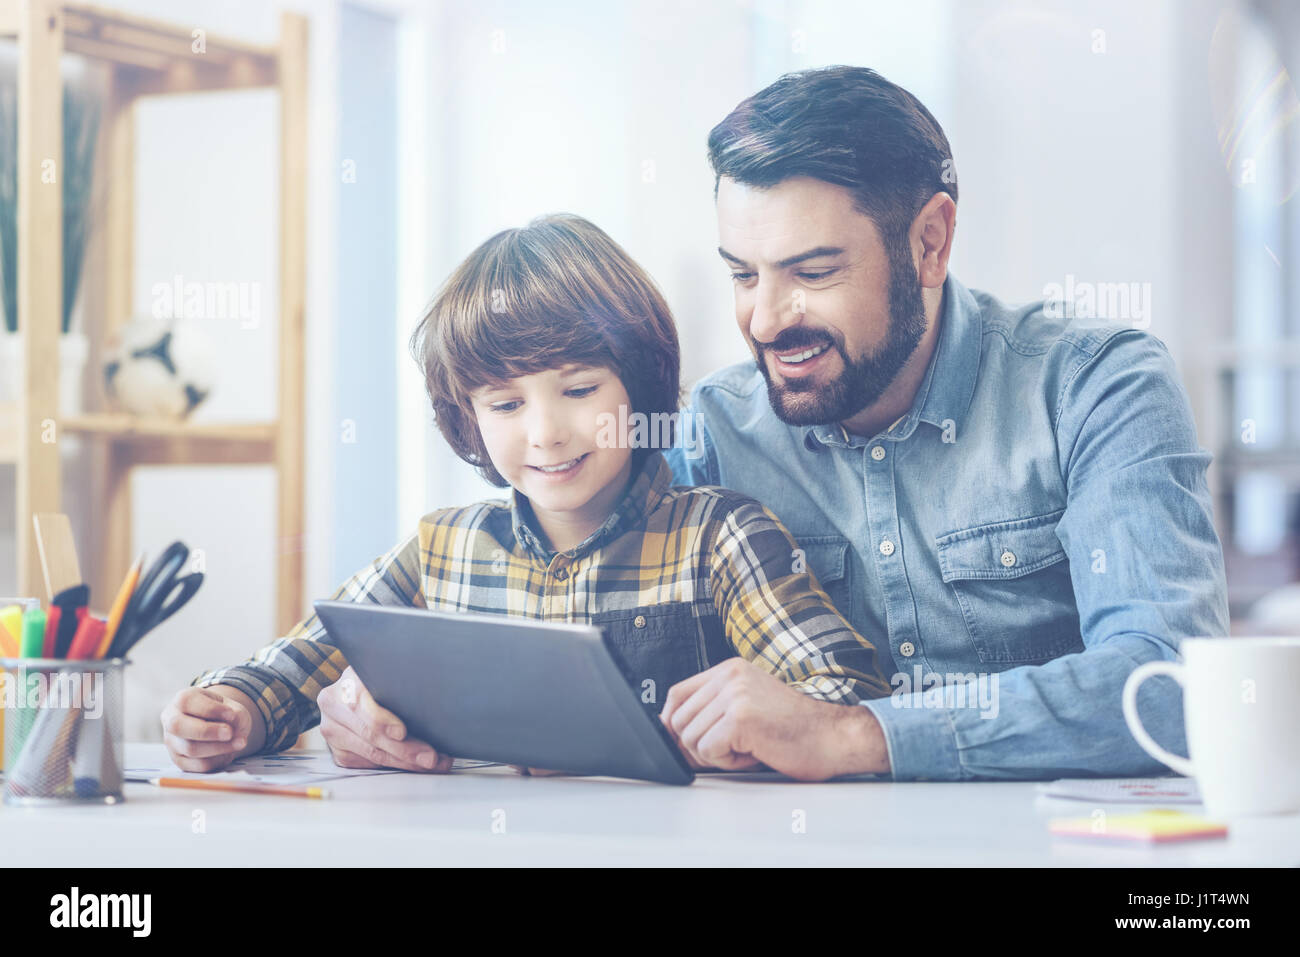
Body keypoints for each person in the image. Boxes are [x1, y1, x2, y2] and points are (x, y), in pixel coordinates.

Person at [160, 213, 890, 774]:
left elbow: (850, 704)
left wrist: (764, 723)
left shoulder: (720, 536)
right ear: (466, 418)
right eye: (505, 405)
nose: (544, 433)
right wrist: (230, 712)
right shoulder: (444, 547)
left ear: (639, 385)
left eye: (577, 389)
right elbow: (294, 666)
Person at [660, 65, 1229, 781]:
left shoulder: (1097, 386)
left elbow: (1169, 683)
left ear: (930, 242)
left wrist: (855, 734)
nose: (767, 319)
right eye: (744, 275)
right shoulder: (715, 431)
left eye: (812, 273)